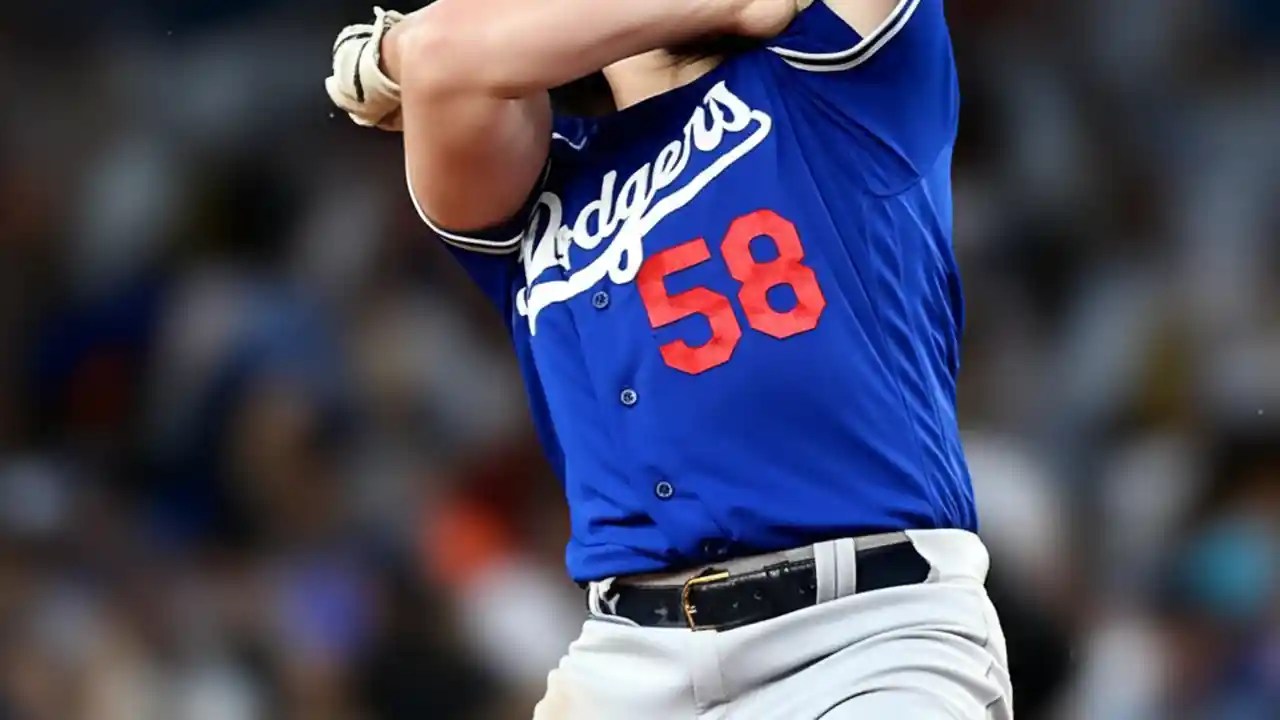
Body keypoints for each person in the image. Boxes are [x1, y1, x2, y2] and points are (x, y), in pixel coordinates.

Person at [326, 1, 1014, 717]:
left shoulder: (849, 76)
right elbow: (444, 51)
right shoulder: (540, 178)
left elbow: (432, 50)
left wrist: (397, 53)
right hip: (632, 660)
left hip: (869, 633)